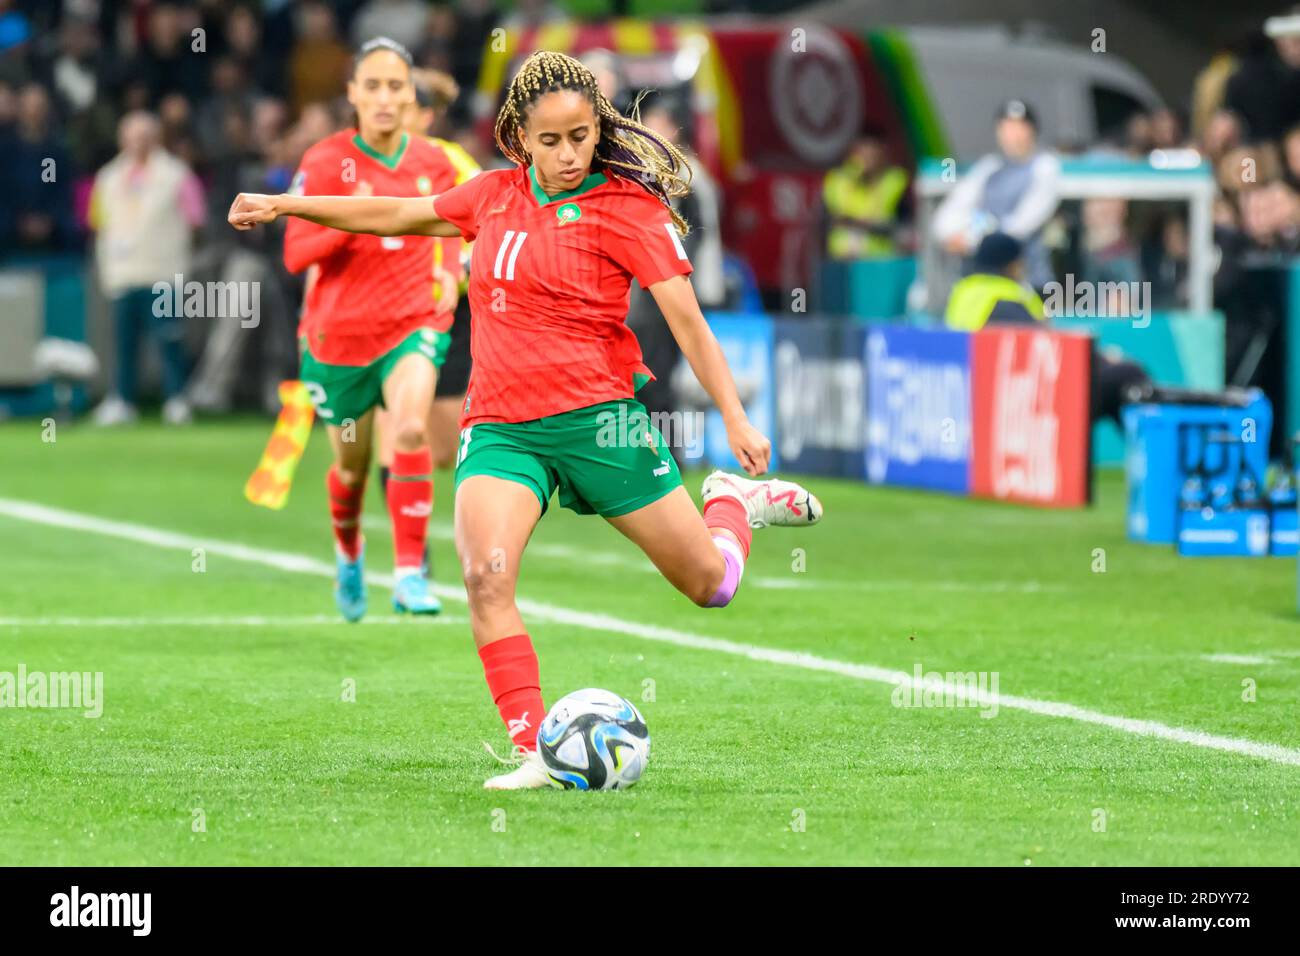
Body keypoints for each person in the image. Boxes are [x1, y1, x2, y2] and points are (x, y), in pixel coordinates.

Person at [229, 50, 824, 791]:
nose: (569, 154)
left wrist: (736, 417)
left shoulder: (628, 210)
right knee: (485, 578)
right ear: (519, 136)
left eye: (580, 136)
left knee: (711, 586)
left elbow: (691, 326)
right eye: (551, 141)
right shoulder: (490, 196)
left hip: (601, 425)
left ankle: (730, 504)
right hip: (504, 429)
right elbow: (396, 214)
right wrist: (286, 204)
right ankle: (535, 750)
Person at [281, 37, 460, 620]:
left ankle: (410, 574)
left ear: (411, 96)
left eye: (396, 87)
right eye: (374, 86)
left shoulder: (433, 162)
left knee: (410, 429)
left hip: (413, 324)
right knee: (351, 470)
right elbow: (295, 253)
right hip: (338, 340)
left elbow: (454, 226)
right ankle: (349, 551)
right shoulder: (325, 161)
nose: (385, 98)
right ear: (353, 93)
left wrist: (454, 278)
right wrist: (348, 217)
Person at [945, 233, 1152, 427]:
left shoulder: (966, 293)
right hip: (1025, 399)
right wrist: (1101, 358)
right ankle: (1154, 454)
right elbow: (1049, 348)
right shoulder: (1003, 299)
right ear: (1010, 264)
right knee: (1128, 374)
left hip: (985, 396)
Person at [89, 111, 205, 426]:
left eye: (144, 135)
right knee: (123, 343)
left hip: (163, 271)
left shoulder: (177, 175)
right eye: (132, 135)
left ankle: (176, 399)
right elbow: (97, 222)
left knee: (169, 339)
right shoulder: (108, 177)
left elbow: (196, 220)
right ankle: (122, 400)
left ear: (156, 138)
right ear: (121, 139)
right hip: (123, 273)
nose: (138, 142)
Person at [932, 99, 1061, 291]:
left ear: (1032, 131)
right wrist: (963, 232)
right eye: (1006, 128)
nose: (1013, 135)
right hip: (984, 282)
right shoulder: (989, 167)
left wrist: (970, 238)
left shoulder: (1045, 166)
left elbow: (1020, 225)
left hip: (1029, 283)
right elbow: (947, 217)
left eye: (1019, 128)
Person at [822, 130, 909, 259]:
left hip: (880, 261)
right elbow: (825, 221)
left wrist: (869, 225)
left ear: (882, 153)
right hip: (842, 261)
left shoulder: (895, 181)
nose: (868, 159)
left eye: (873, 154)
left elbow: (905, 226)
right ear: (854, 153)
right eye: (864, 153)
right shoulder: (837, 180)